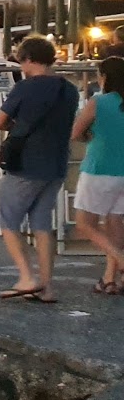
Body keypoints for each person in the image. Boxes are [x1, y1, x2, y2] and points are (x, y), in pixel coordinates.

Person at [0, 37, 79, 303]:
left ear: (28, 59)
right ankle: (46, 286)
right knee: (42, 224)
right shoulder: (69, 90)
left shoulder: (24, 88)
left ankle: (26, 277)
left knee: (7, 219)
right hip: (55, 165)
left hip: (26, 164)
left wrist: (17, 128)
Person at [71, 57, 124, 294]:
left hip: (99, 168)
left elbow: (75, 132)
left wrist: (89, 135)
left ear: (105, 77)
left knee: (84, 223)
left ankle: (120, 260)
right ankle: (109, 279)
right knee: (115, 221)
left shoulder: (99, 102)